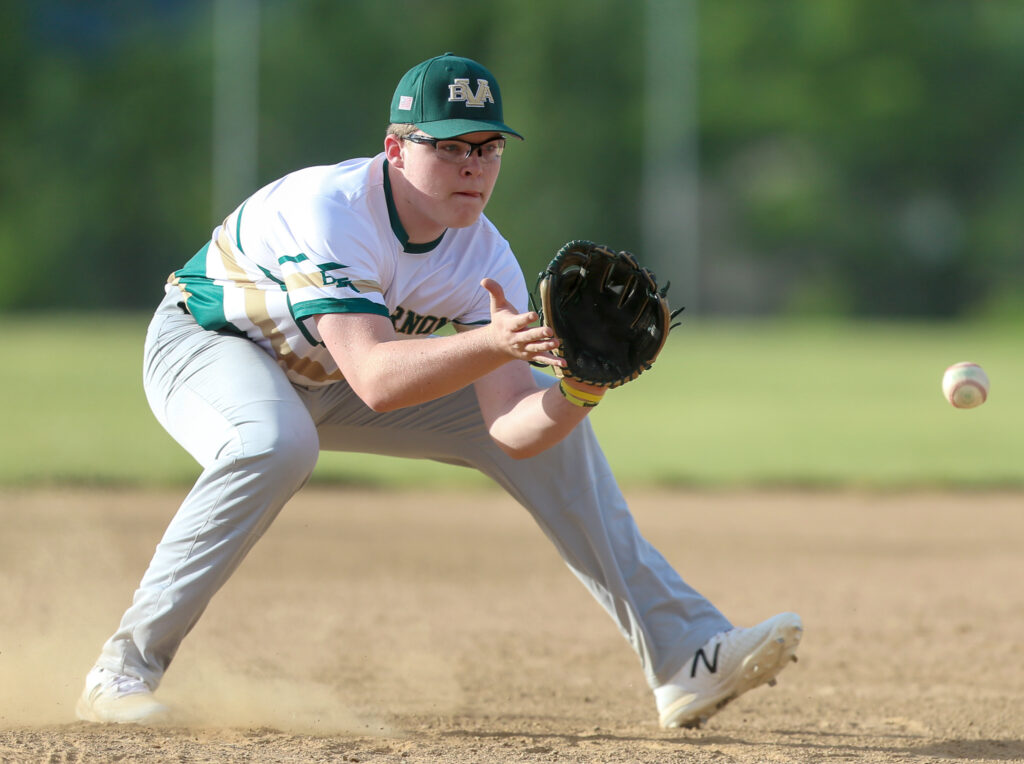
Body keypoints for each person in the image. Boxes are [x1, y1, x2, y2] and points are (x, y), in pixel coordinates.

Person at [75, 52, 802, 730]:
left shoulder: (485, 255)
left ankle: (685, 654)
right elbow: (376, 379)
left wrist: (579, 391)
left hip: (331, 372)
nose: (472, 165)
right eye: (449, 146)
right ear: (396, 148)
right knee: (276, 443)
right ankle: (121, 671)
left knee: (559, 436)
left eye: (488, 147)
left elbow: (511, 428)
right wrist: (491, 343)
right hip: (212, 346)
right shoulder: (331, 208)